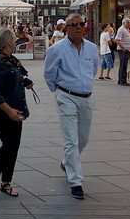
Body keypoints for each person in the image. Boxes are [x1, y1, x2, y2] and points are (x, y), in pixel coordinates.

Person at [43, 13, 100, 200]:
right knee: (71, 140)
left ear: (85, 27)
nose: (77, 27)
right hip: (66, 96)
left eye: (80, 24)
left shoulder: (92, 49)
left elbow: (93, 70)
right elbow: (49, 73)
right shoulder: (57, 49)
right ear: (65, 28)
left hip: (87, 98)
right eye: (73, 24)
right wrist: (59, 92)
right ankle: (76, 181)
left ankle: (67, 162)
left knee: (83, 138)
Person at [0, 27, 31, 198]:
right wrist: (9, 111)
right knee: (9, 144)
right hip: (2, 111)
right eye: (14, 39)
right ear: (8, 42)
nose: (16, 41)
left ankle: (6, 182)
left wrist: (26, 81)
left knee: (13, 146)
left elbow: (17, 75)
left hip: (16, 108)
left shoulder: (10, 60)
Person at [114, 19, 130, 86]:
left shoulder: (126, 30)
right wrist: (123, 48)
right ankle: (123, 80)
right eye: (127, 23)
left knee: (124, 65)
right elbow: (117, 40)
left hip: (127, 50)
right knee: (123, 65)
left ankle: (121, 80)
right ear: (123, 23)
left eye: (129, 23)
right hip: (123, 51)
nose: (129, 24)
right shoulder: (121, 29)